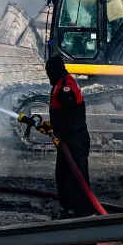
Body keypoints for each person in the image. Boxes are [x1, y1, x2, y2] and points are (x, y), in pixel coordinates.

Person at [45, 55, 94, 218]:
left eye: (48, 71)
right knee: (64, 175)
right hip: (68, 139)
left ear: (54, 70)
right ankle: (69, 208)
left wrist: (57, 131)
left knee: (76, 176)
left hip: (74, 139)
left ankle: (83, 212)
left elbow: (70, 115)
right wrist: (54, 128)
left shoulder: (66, 86)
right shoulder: (62, 82)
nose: (48, 75)